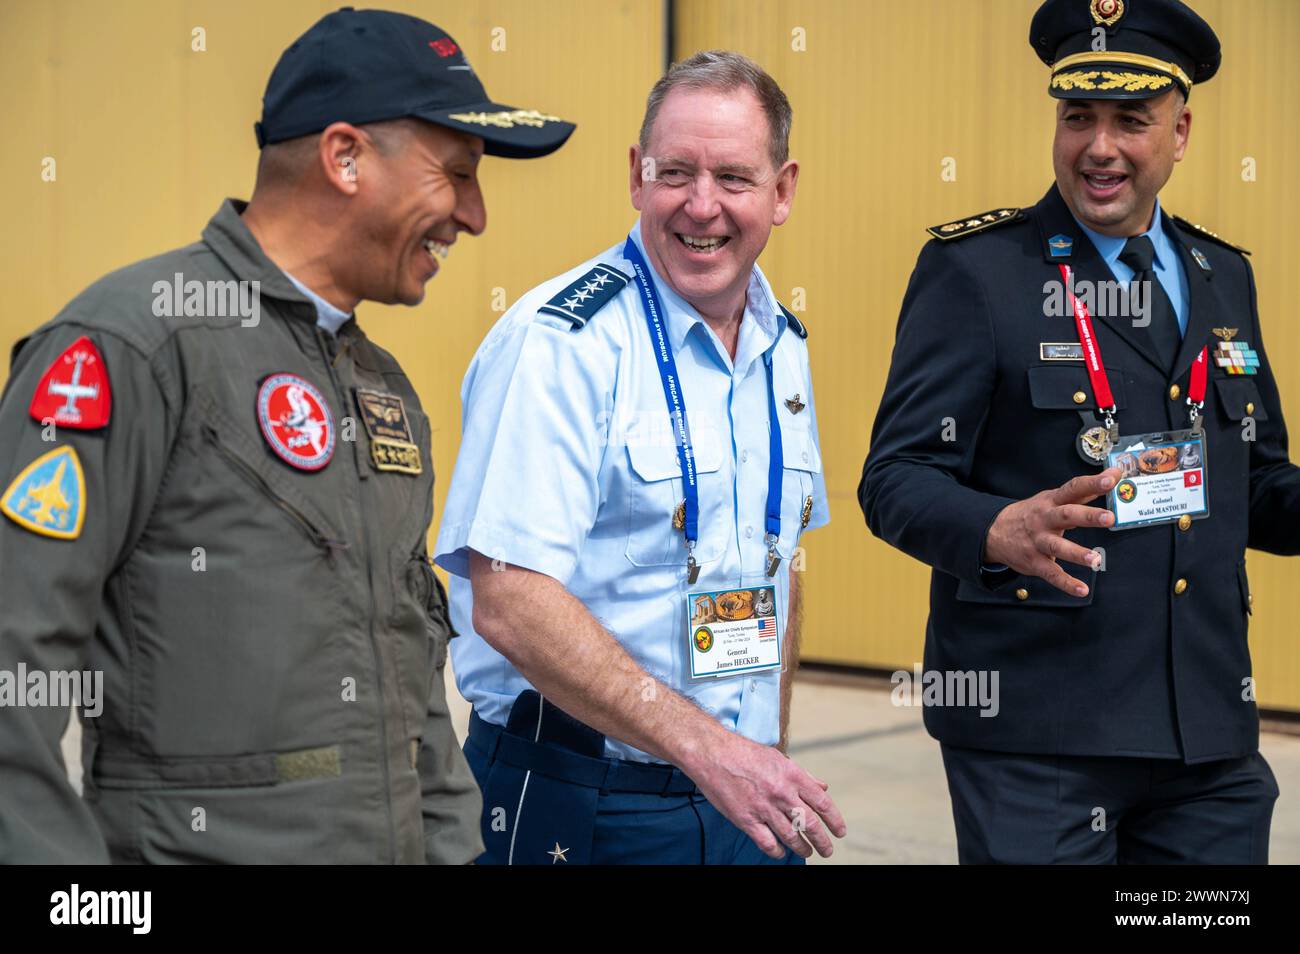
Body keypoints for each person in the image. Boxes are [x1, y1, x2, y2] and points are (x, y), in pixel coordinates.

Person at [0, 7, 573, 863]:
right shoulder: (132, 347)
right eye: (455, 173)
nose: (476, 215)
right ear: (344, 157)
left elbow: (414, 690)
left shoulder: (382, 391)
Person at [860, 0, 1296, 864]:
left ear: (1182, 130)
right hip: (1037, 742)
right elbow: (896, 476)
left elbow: (1254, 485)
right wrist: (992, 528)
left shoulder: (1223, 275)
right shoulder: (979, 273)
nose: (1099, 148)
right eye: (1077, 118)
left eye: (1131, 121)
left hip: (1204, 740)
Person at [434, 51, 846, 865]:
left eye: (733, 176)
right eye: (675, 172)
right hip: (579, 800)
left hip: (746, 802)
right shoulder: (560, 345)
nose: (702, 206)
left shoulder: (781, 347)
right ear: (635, 174)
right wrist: (711, 749)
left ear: (784, 190)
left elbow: (782, 565)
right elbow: (510, 601)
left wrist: (764, 748)